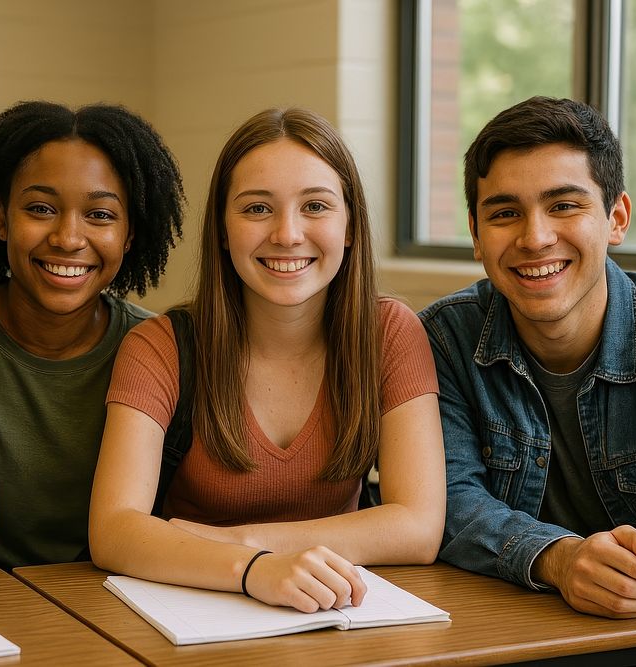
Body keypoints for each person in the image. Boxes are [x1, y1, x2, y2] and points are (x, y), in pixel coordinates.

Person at [89, 108, 445, 612]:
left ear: (349, 226)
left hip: (337, 609)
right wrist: (254, 570)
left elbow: (418, 527)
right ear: (222, 230)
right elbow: (113, 530)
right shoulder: (159, 346)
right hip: (193, 608)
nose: (287, 234)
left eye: (316, 207)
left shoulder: (388, 332)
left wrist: (247, 542)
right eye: (257, 209)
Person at [419, 96, 636, 619]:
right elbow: (447, 501)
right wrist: (560, 559)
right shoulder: (443, 338)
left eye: (564, 205)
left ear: (616, 218)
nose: (535, 238)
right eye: (505, 213)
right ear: (475, 235)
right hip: (510, 629)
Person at [0, 101, 184, 569]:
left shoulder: (158, 350)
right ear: (1, 218)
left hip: (100, 601)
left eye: (100, 215)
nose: (68, 238)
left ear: (130, 233)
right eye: (41, 208)